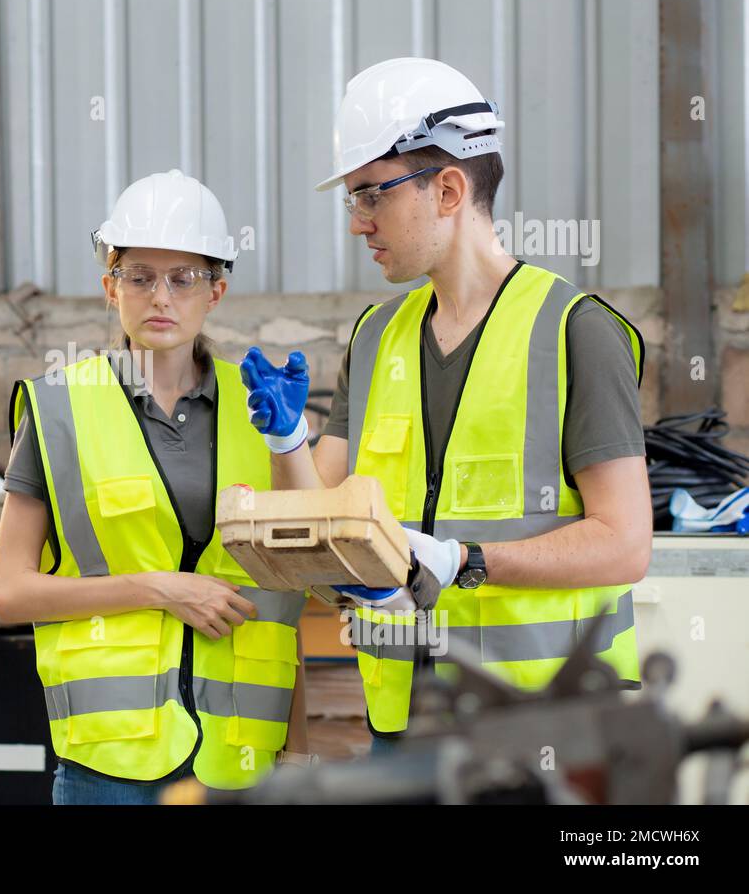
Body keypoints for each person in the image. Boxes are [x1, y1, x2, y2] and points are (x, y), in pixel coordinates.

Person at [242, 58, 651, 753]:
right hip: (406, 728)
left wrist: (461, 559)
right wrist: (288, 447)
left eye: (371, 195)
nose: (358, 224)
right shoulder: (375, 339)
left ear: (449, 189)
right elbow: (323, 526)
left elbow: (624, 543)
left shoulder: (575, 331)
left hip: (544, 727)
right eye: (353, 200)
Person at [0, 169, 310, 804]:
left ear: (215, 291)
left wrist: (299, 752)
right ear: (111, 286)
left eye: (183, 278)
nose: (160, 297)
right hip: (108, 770)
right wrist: (161, 590)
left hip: (244, 760)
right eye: (140, 276)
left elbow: (288, 597)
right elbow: (10, 592)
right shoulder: (59, 409)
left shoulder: (263, 411)